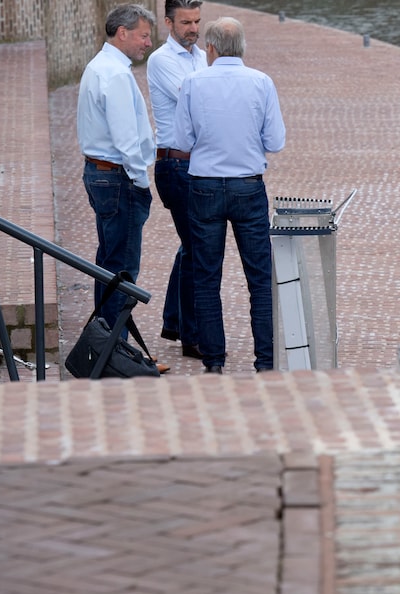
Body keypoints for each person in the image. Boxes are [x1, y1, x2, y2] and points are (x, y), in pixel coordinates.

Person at [173, 17, 286, 373]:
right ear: (242, 48)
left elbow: (181, 142)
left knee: (207, 277)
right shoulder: (261, 82)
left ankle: (214, 362)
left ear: (211, 48)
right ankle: (265, 362)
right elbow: (275, 142)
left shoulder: (193, 82)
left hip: (205, 184)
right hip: (248, 186)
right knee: (260, 278)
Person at [77, 4, 168, 374]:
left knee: (109, 265)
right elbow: (125, 139)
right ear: (122, 33)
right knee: (122, 271)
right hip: (117, 178)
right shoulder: (113, 74)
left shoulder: (102, 67)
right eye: (144, 35)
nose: (148, 42)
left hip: (103, 175)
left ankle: (106, 348)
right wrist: (141, 181)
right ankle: (113, 356)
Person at [147, 0, 206, 360]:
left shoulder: (201, 57)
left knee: (191, 245)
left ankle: (175, 321)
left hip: (197, 165)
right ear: (168, 22)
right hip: (175, 165)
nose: (194, 28)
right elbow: (196, 100)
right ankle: (192, 335)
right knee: (198, 247)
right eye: (186, 22)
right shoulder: (161, 60)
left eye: (197, 21)